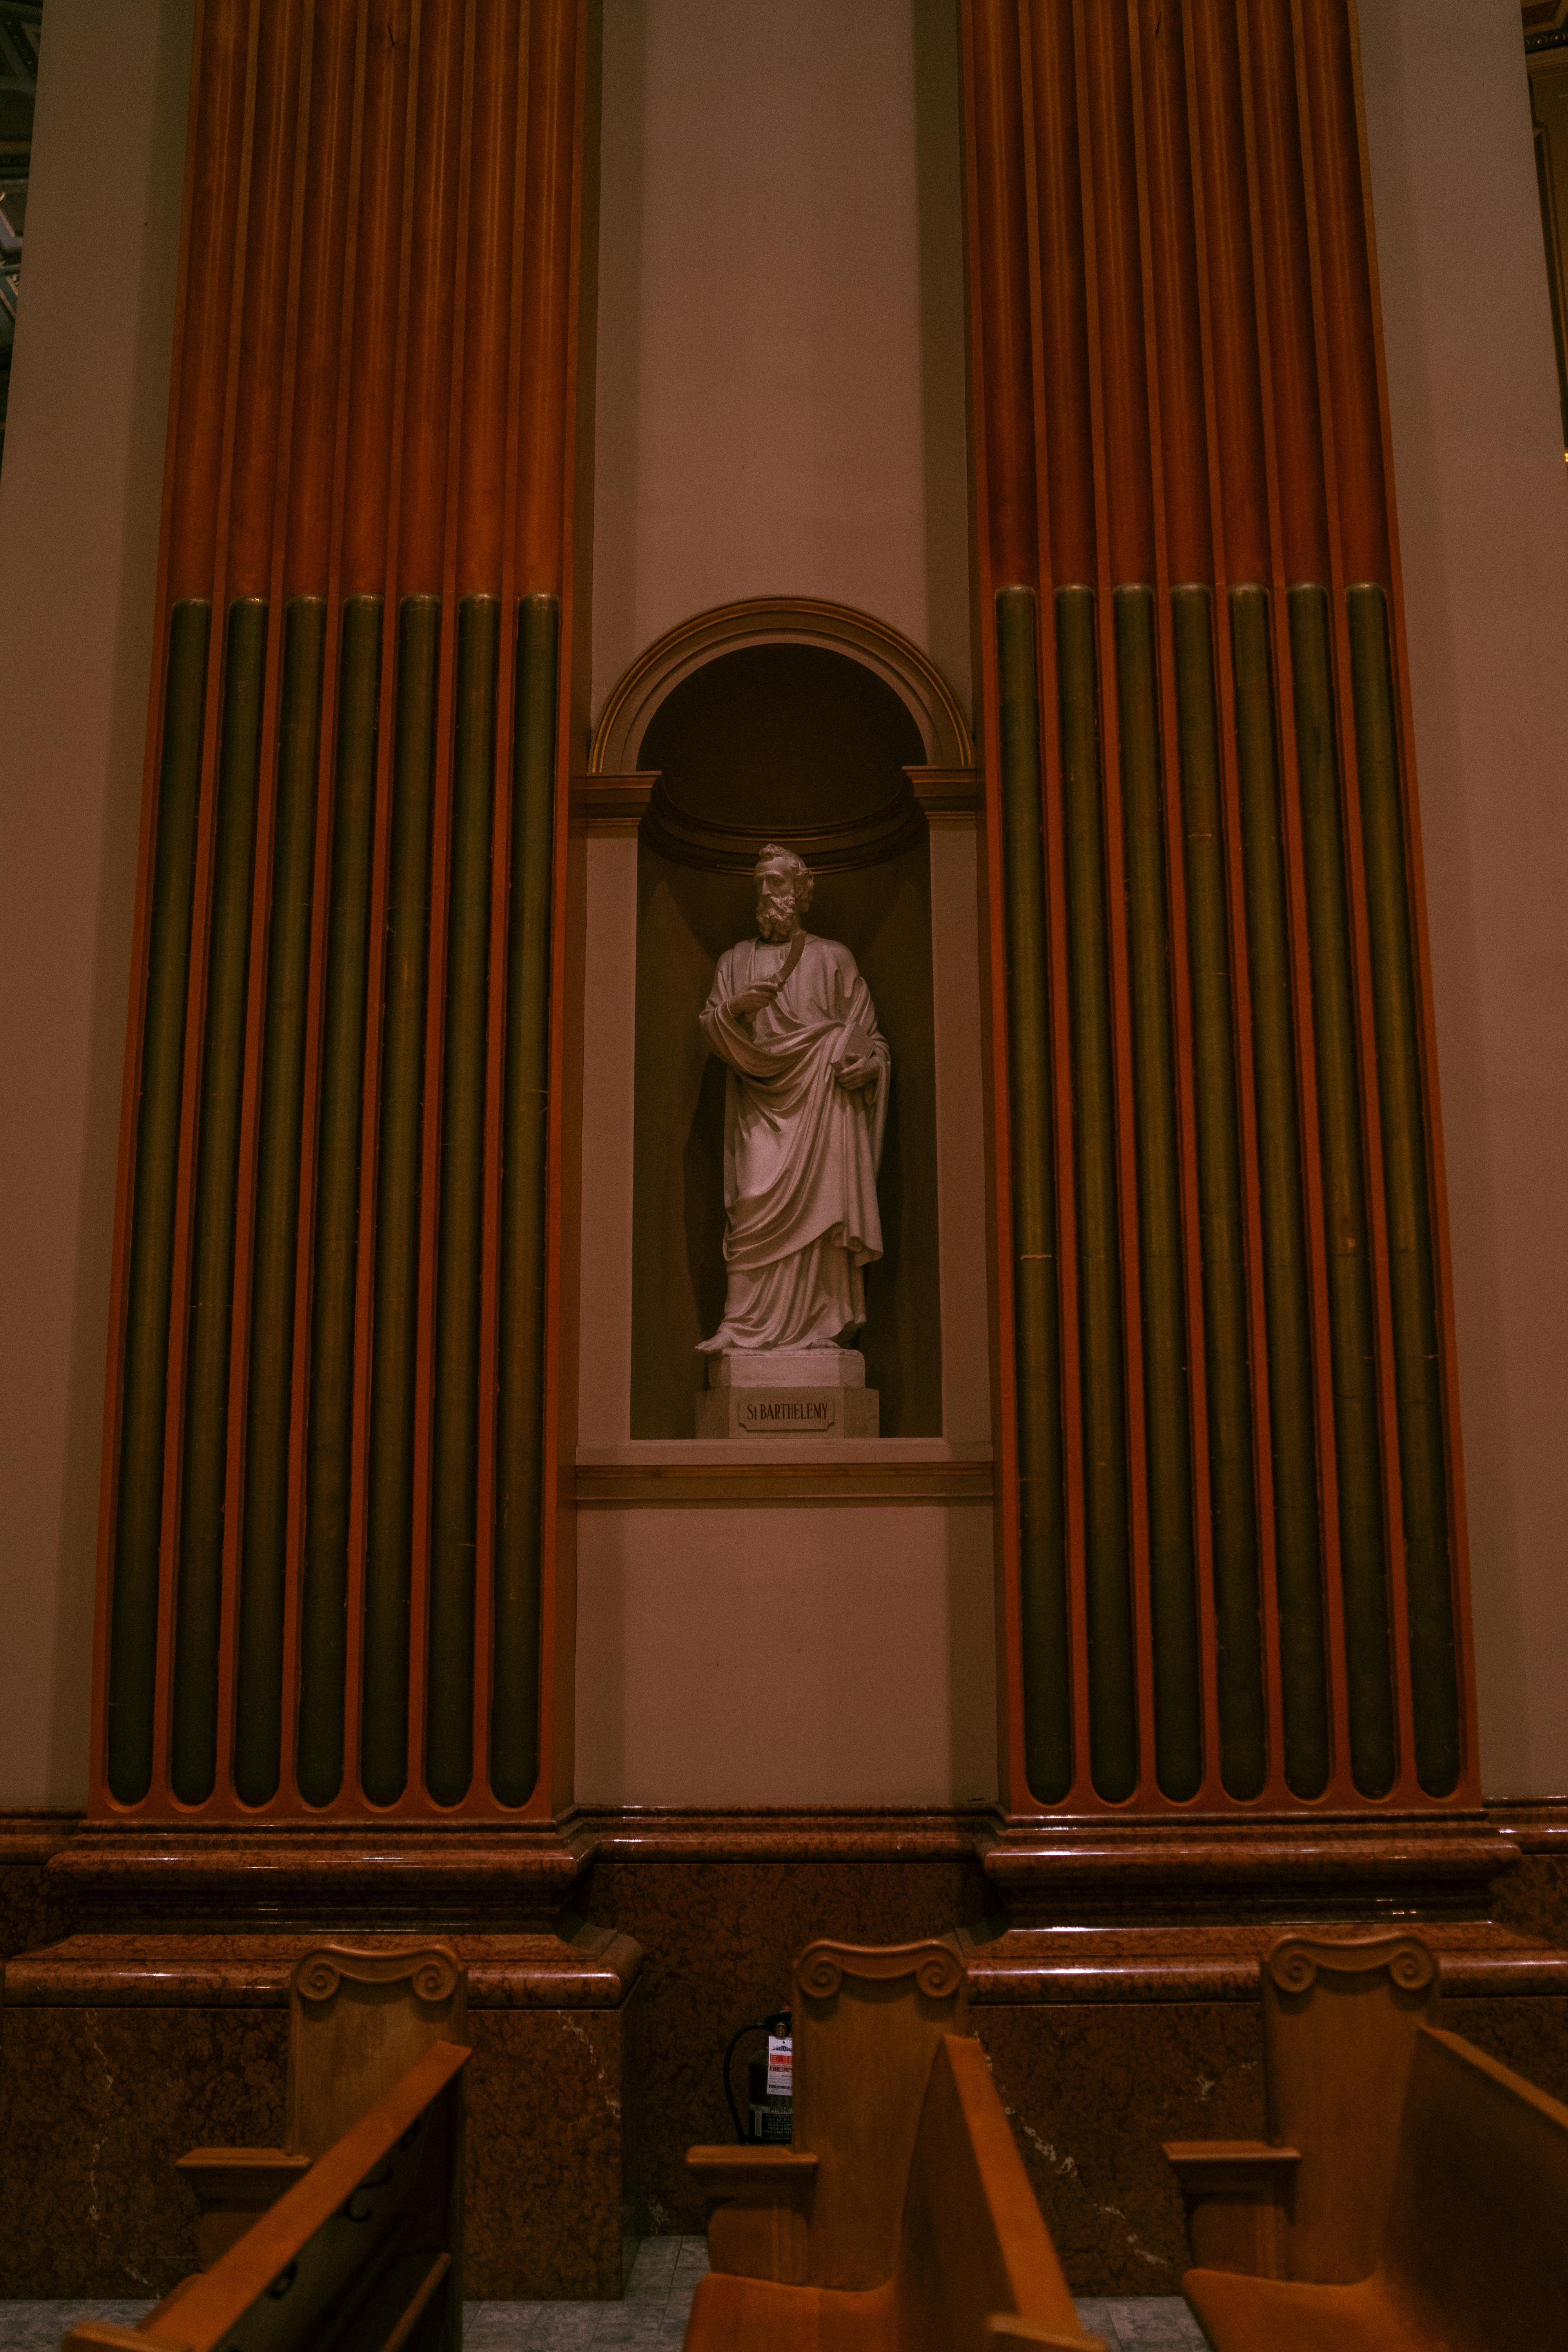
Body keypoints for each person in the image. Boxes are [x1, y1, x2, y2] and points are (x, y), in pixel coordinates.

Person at [697, 844, 889, 1356]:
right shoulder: (735, 961)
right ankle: (739, 1324)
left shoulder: (833, 958)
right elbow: (711, 1030)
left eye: (777, 884)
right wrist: (736, 1008)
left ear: (801, 893)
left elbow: (870, 1040)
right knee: (751, 1200)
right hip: (759, 1104)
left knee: (825, 1211)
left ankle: (823, 1325)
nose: (765, 893)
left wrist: (869, 1066)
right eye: (759, 884)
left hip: (824, 1106)